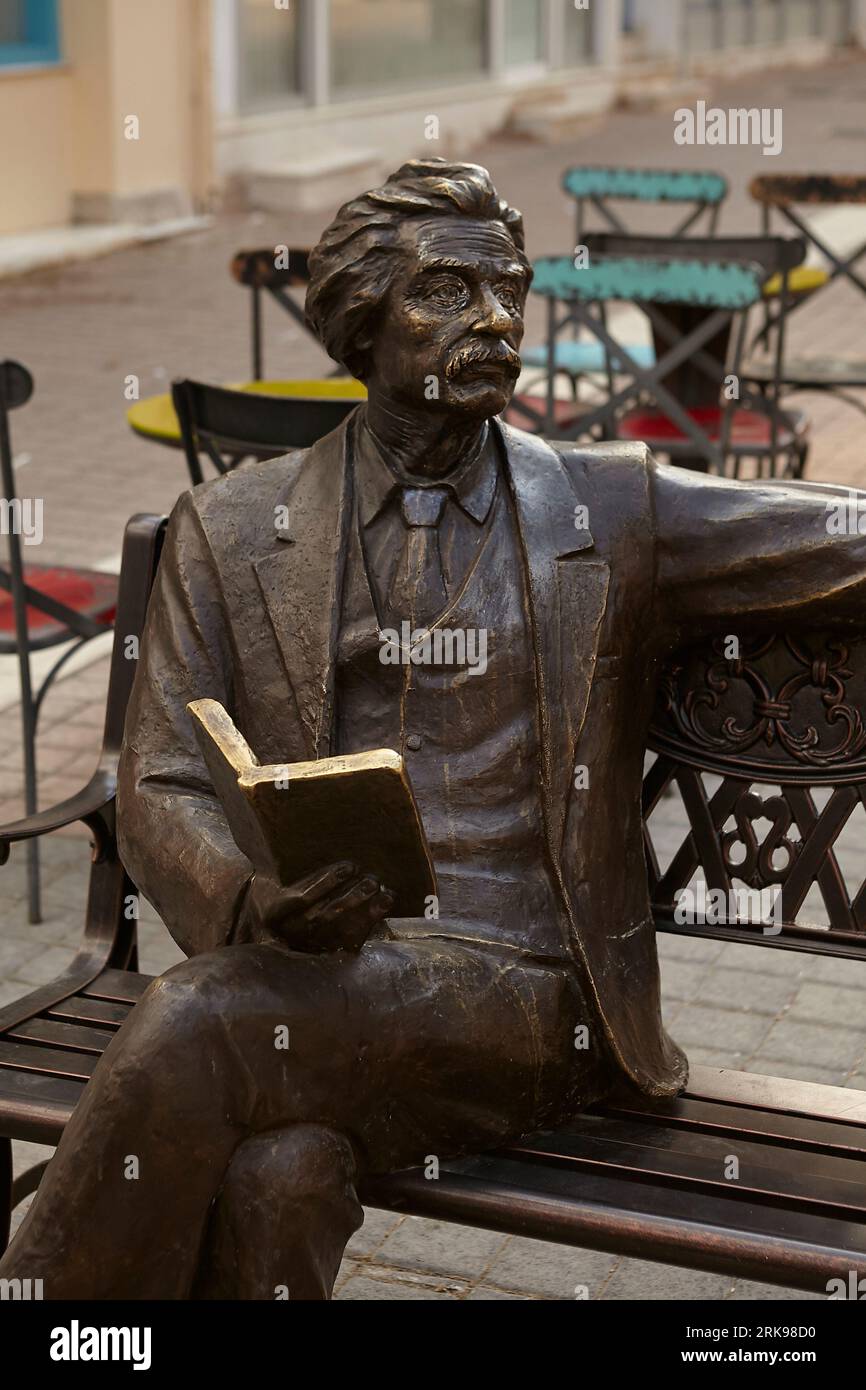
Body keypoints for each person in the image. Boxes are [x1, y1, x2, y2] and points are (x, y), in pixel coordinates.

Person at [3, 160, 862, 1299]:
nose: (495, 320)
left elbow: (839, 535)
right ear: (363, 317)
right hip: (315, 981)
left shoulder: (608, 507)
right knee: (280, 1175)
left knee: (193, 1016)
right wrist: (250, 898)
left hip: (531, 996)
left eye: (508, 291)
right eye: (447, 291)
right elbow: (158, 776)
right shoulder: (232, 525)